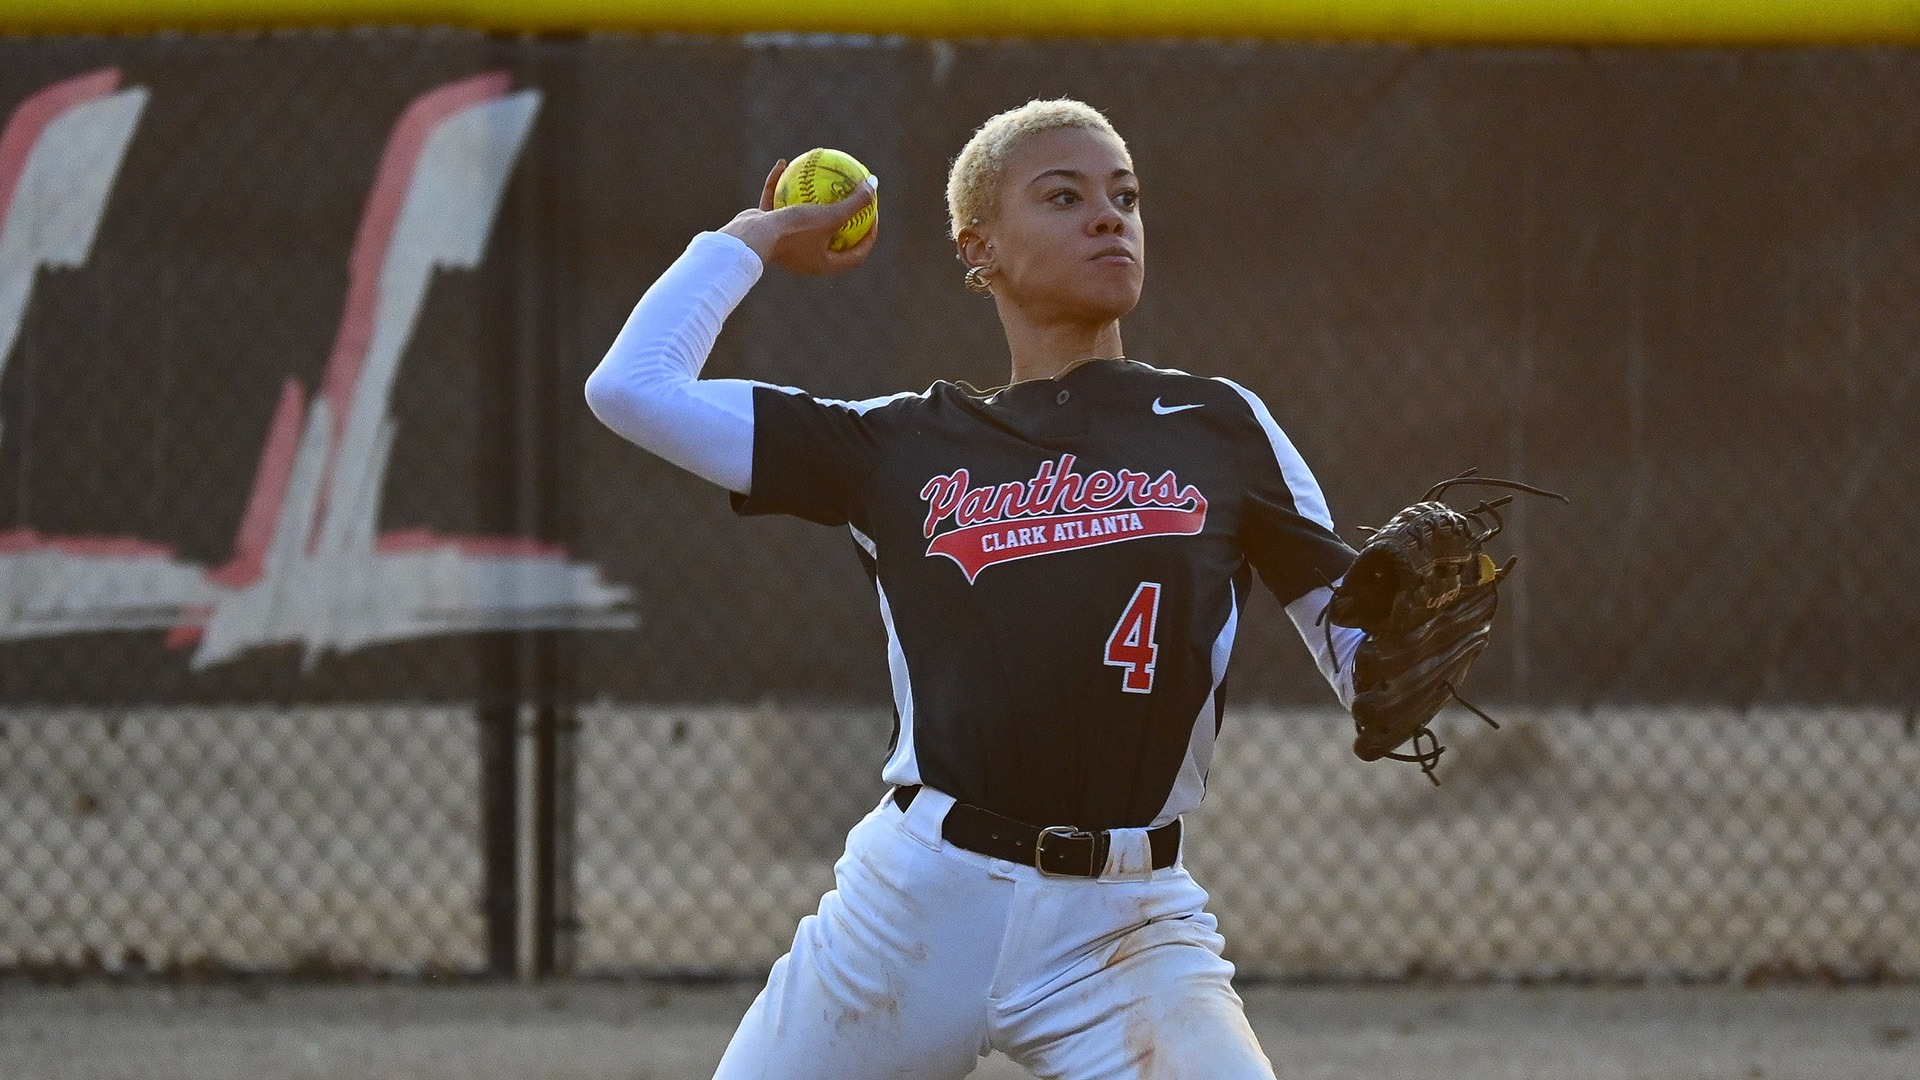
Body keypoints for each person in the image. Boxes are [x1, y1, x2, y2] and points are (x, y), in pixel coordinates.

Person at [586, 98, 1364, 1080]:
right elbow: (632, 388)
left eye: (1124, 196)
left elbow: (1360, 653)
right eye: (1064, 195)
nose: (1107, 217)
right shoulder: (901, 443)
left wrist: (1406, 654)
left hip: (1123, 931)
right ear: (979, 247)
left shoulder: (1220, 426)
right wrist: (746, 241)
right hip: (915, 905)